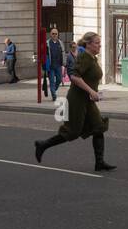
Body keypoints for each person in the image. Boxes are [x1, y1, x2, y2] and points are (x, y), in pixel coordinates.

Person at [33, 31, 115, 172]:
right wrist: (91, 91)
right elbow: (74, 77)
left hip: (87, 100)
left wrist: (94, 93)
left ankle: (99, 162)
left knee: (98, 126)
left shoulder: (92, 58)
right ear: (88, 44)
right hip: (77, 99)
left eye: (99, 43)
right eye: (97, 43)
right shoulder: (84, 57)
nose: (100, 45)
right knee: (72, 132)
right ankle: (43, 145)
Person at [43, 28, 64, 100]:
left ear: (58, 34)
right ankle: (54, 95)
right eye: (53, 34)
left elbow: (63, 53)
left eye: (56, 34)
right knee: (51, 81)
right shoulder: (47, 43)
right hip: (51, 66)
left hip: (58, 65)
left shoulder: (60, 43)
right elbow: (44, 54)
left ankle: (53, 90)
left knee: (59, 79)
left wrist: (64, 62)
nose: (54, 35)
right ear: (50, 34)